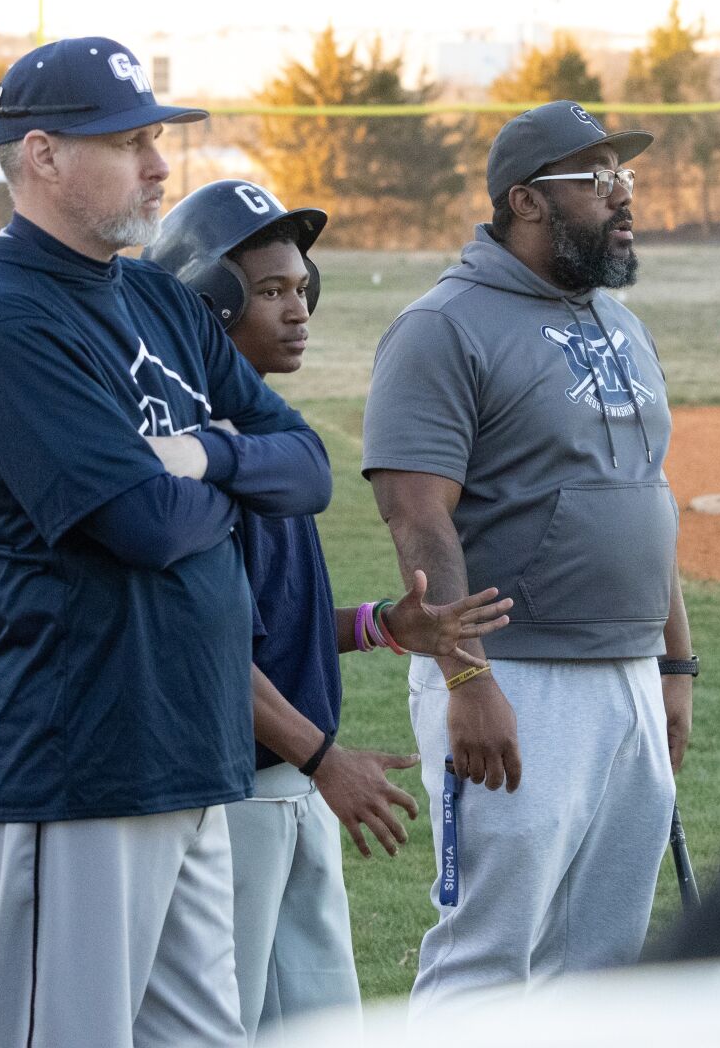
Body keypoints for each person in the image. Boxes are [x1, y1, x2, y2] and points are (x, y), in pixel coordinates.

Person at [0, 37, 333, 1048]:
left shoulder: (156, 296)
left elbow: (308, 466)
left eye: (156, 138)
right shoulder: (7, 316)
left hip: (195, 757)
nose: (159, 166)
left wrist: (200, 454)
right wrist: (226, 477)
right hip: (79, 765)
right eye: (127, 142)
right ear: (42, 156)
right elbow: (144, 526)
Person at [145, 180, 513, 1040]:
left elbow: (268, 623)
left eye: (303, 288)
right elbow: (203, 648)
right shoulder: (197, 457)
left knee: (316, 1023)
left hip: (289, 787)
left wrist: (383, 626)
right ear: (208, 301)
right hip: (231, 794)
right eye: (270, 291)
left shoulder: (261, 443)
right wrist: (322, 758)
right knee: (220, 1023)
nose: (298, 309)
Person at [362, 100, 696, 1009]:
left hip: (627, 677)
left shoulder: (621, 324)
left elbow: (646, 495)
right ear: (527, 201)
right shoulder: (443, 326)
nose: (622, 196)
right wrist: (466, 683)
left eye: (624, 176)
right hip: (516, 679)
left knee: (602, 967)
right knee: (488, 957)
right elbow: (417, 518)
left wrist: (675, 665)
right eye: (597, 179)